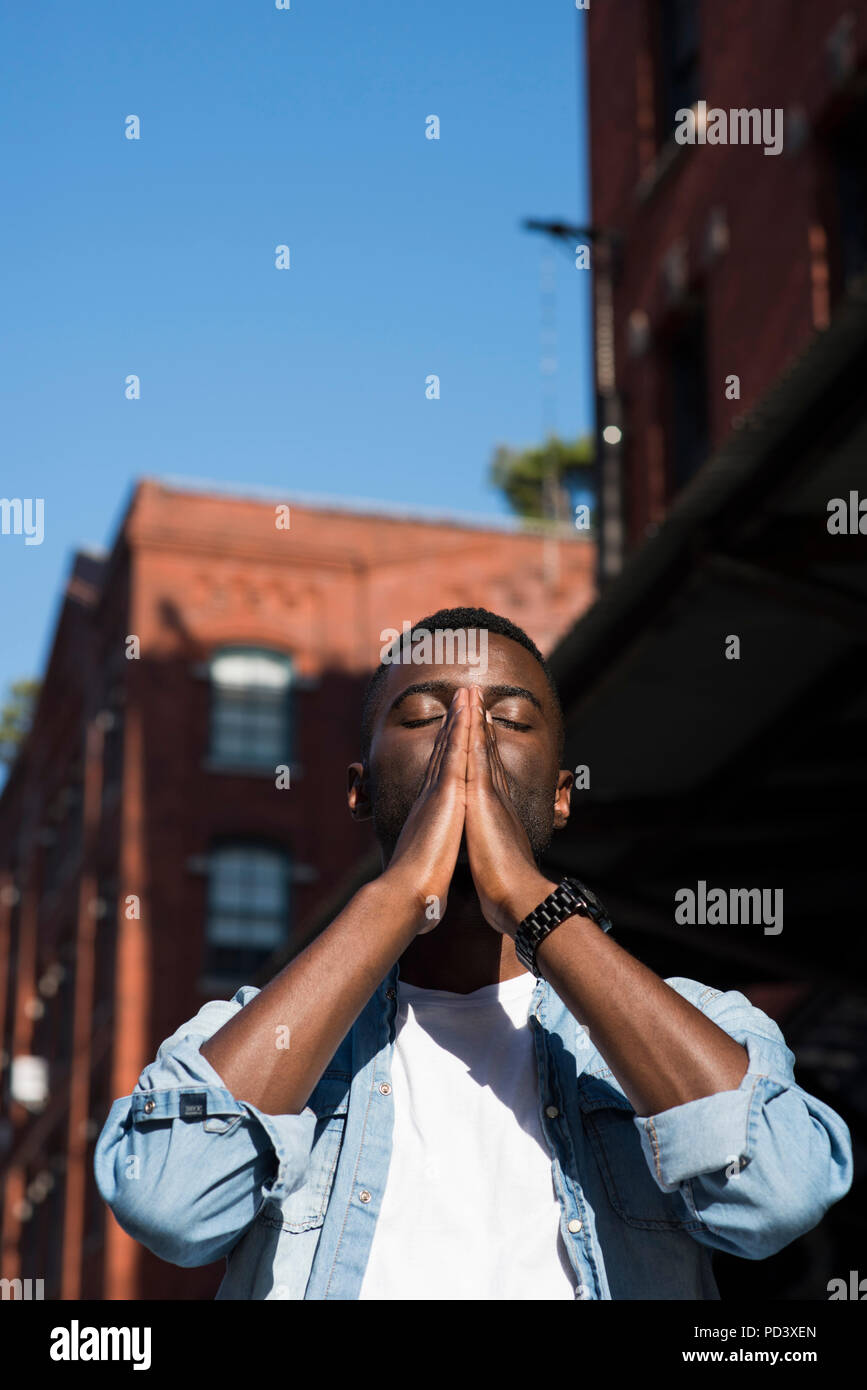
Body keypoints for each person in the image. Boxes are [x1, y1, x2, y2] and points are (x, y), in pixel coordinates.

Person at [94, 607, 853, 1299]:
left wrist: (528, 897)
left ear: (560, 796)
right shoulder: (253, 1039)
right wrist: (395, 899)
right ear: (357, 791)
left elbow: (778, 1196)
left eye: (511, 720)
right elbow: (167, 1202)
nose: (469, 741)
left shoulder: (697, 1021)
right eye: (424, 715)